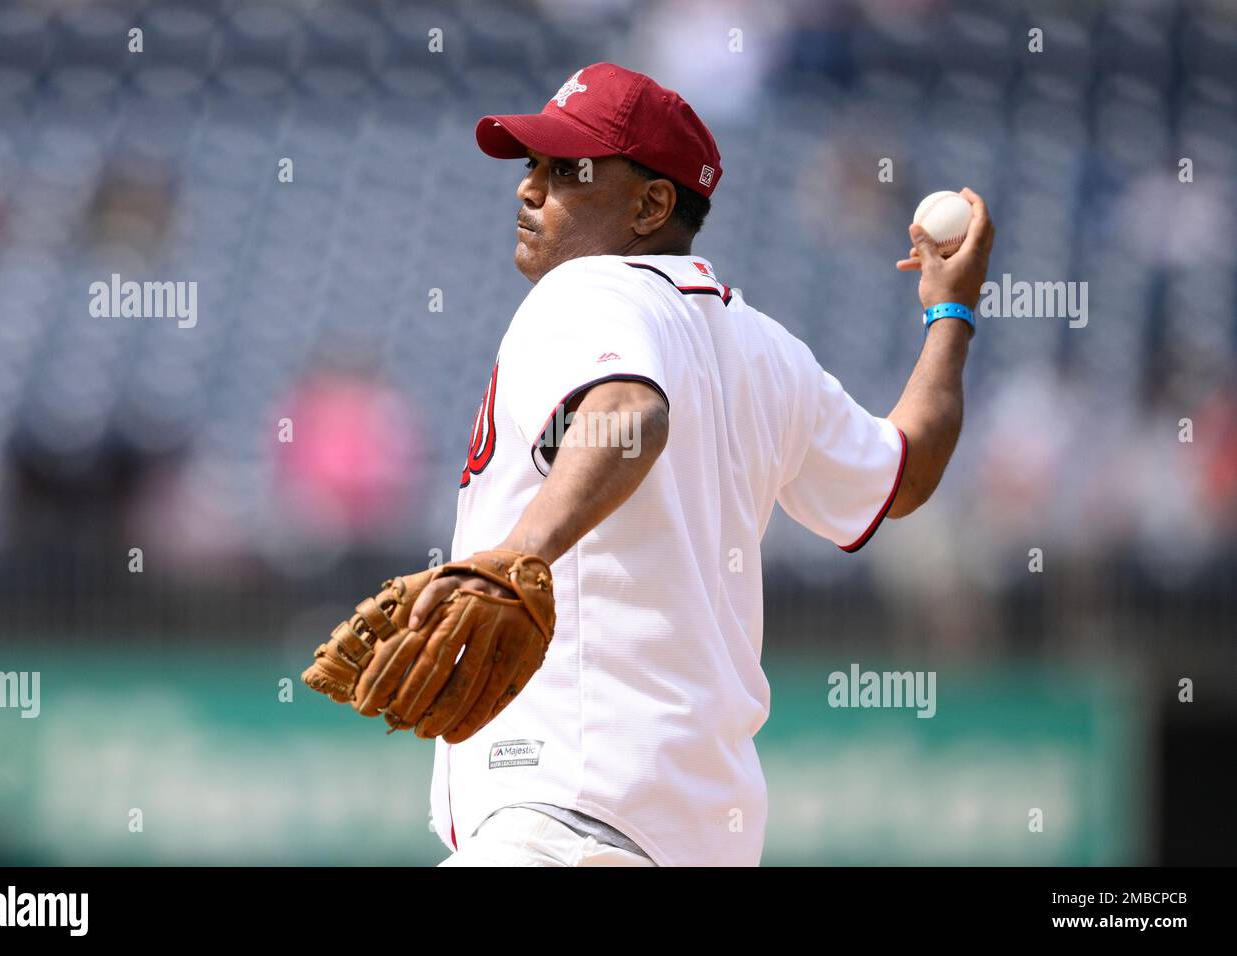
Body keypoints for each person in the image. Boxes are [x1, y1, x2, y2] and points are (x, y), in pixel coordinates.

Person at [405, 62, 993, 866]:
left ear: (651, 205)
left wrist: (514, 559)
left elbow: (630, 417)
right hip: (696, 832)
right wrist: (950, 313)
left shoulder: (585, 291)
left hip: (563, 816)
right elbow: (907, 471)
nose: (529, 189)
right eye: (532, 166)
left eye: (566, 170)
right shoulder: (768, 353)